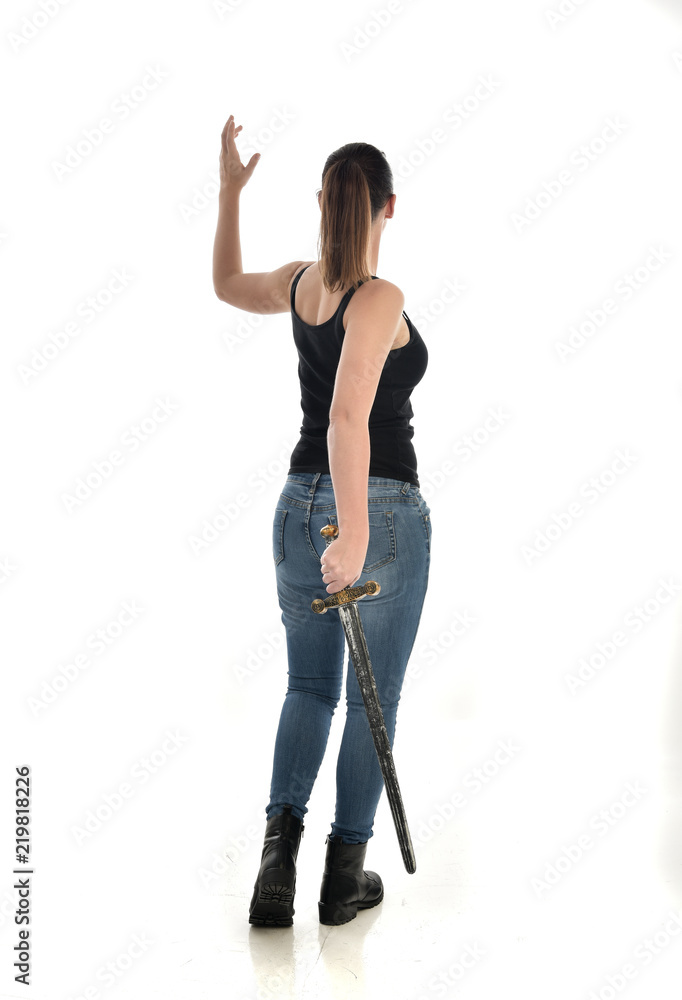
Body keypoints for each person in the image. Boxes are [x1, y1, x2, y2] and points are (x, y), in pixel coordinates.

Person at [213, 114, 432, 926]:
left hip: (293, 506)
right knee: (381, 702)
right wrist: (358, 531)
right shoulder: (380, 299)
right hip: (372, 504)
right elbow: (349, 417)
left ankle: (278, 867)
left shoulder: (303, 284)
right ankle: (343, 880)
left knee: (309, 688)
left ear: (319, 202)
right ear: (389, 207)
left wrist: (230, 197)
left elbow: (228, 285)